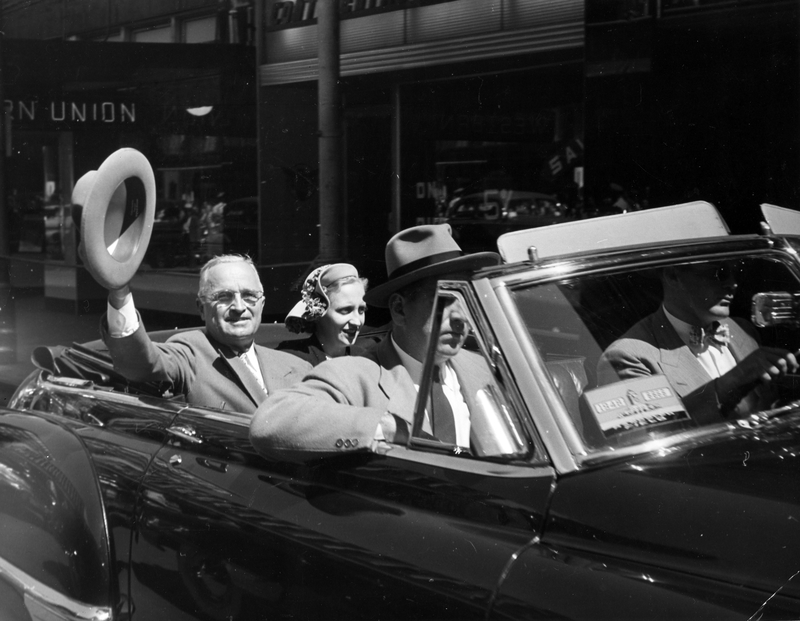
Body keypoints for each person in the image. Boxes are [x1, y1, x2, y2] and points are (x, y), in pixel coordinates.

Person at [249, 224, 501, 462]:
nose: (460, 317)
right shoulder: (355, 373)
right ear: (399, 309)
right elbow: (270, 424)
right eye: (443, 298)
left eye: (465, 297)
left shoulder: (485, 368)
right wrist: (386, 427)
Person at [100, 254, 311, 413]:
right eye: (224, 297)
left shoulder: (298, 367)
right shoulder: (190, 352)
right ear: (201, 308)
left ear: (261, 305)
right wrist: (120, 294)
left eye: (249, 296)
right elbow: (140, 363)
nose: (239, 307)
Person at [597, 260, 799, 424]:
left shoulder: (741, 330)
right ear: (673, 276)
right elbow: (641, 439)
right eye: (719, 273)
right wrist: (733, 381)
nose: (733, 284)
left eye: (735, 272)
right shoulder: (626, 356)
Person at [277, 263, 369, 365]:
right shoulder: (293, 359)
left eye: (361, 310)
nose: (357, 322)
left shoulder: (365, 358)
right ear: (318, 312)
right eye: (345, 310)